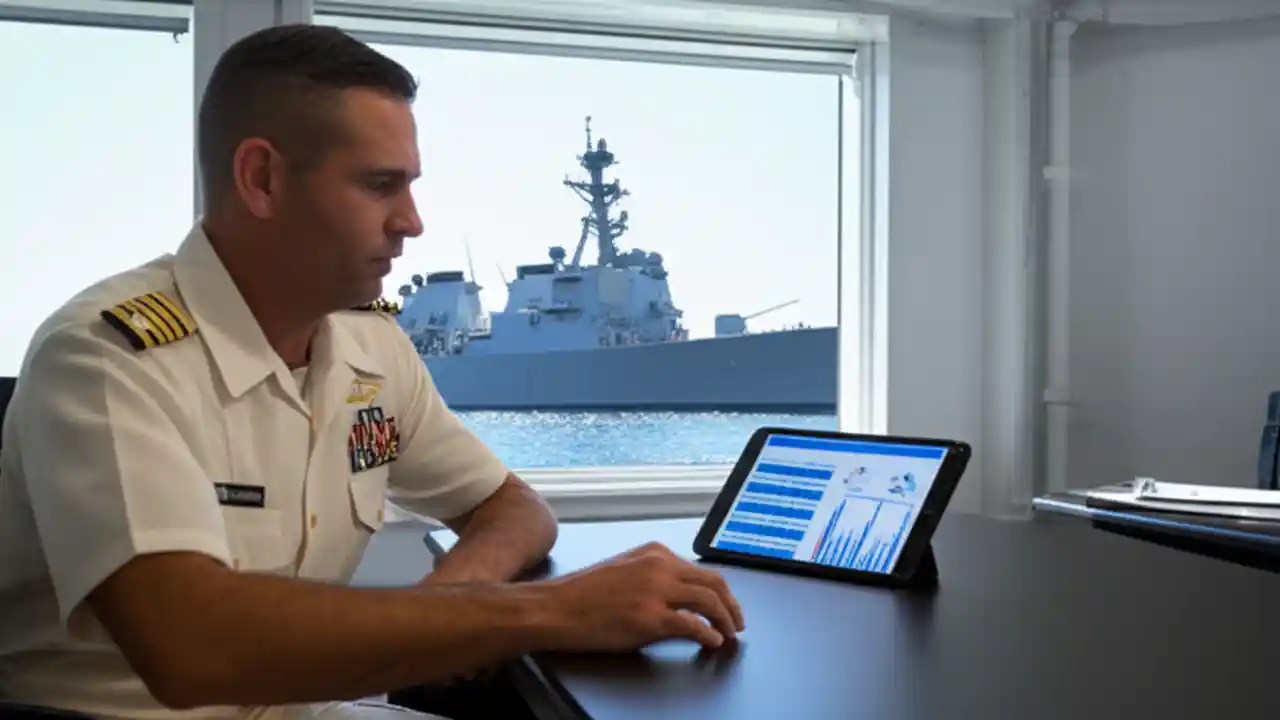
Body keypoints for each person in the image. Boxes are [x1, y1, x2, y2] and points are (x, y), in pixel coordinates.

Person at [0, 23, 743, 720]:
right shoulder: (108, 356)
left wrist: (448, 608)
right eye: (380, 185)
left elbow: (513, 509)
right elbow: (191, 645)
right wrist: (550, 611)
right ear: (261, 179)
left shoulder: (370, 350)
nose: (412, 221)